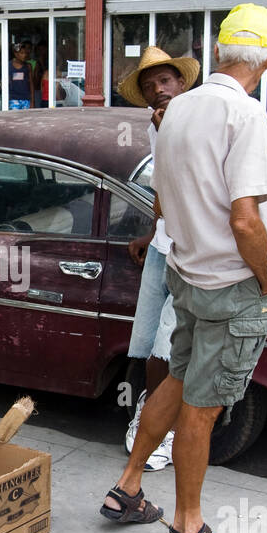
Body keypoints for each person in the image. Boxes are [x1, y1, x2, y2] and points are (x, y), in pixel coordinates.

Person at [101, 3, 267, 533]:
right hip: (230, 284)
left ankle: (129, 486)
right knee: (200, 411)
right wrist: (266, 275)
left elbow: (165, 198)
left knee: (179, 382)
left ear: (219, 51)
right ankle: (188, 531)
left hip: (187, 275)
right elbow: (246, 220)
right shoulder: (246, 114)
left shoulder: (174, 112)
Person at [113, 45, 199, 471]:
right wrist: (152, 231)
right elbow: (163, 188)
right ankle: (150, 414)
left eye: (165, 81)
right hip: (164, 246)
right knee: (146, 341)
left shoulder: (196, 121)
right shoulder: (156, 125)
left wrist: (169, 135)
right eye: (149, 86)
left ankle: (162, 427)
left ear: (181, 83)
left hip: (190, 252)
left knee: (166, 348)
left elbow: (195, 182)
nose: (158, 90)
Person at [8, 42, 36, 110]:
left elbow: (31, 84)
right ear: (16, 54)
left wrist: (32, 101)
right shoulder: (9, 65)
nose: (24, 55)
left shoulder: (28, 66)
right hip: (13, 99)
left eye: (26, 53)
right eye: (22, 53)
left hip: (26, 99)